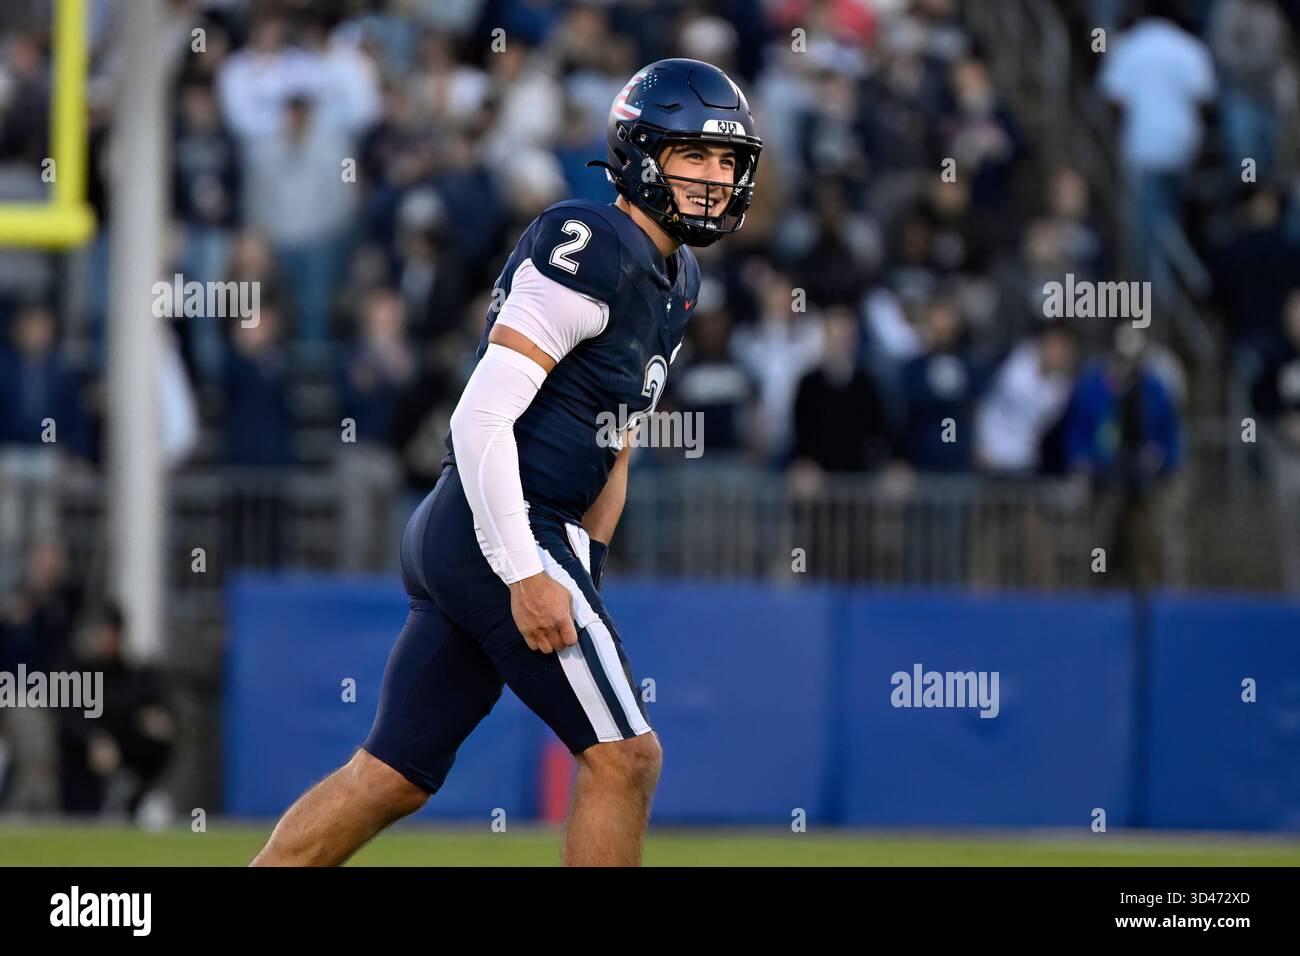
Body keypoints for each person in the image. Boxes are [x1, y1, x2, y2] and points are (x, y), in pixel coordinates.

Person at [251, 59, 763, 867]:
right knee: (625, 757)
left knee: (393, 775)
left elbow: (615, 441)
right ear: (638, 154)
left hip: (488, 530)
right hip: (502, 522)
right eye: (692, 155)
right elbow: (480, 414)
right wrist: (528, 570)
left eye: (727, 161)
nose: (713, 178)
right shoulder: (591, 243)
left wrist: (585, 565)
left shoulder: (679, 277)